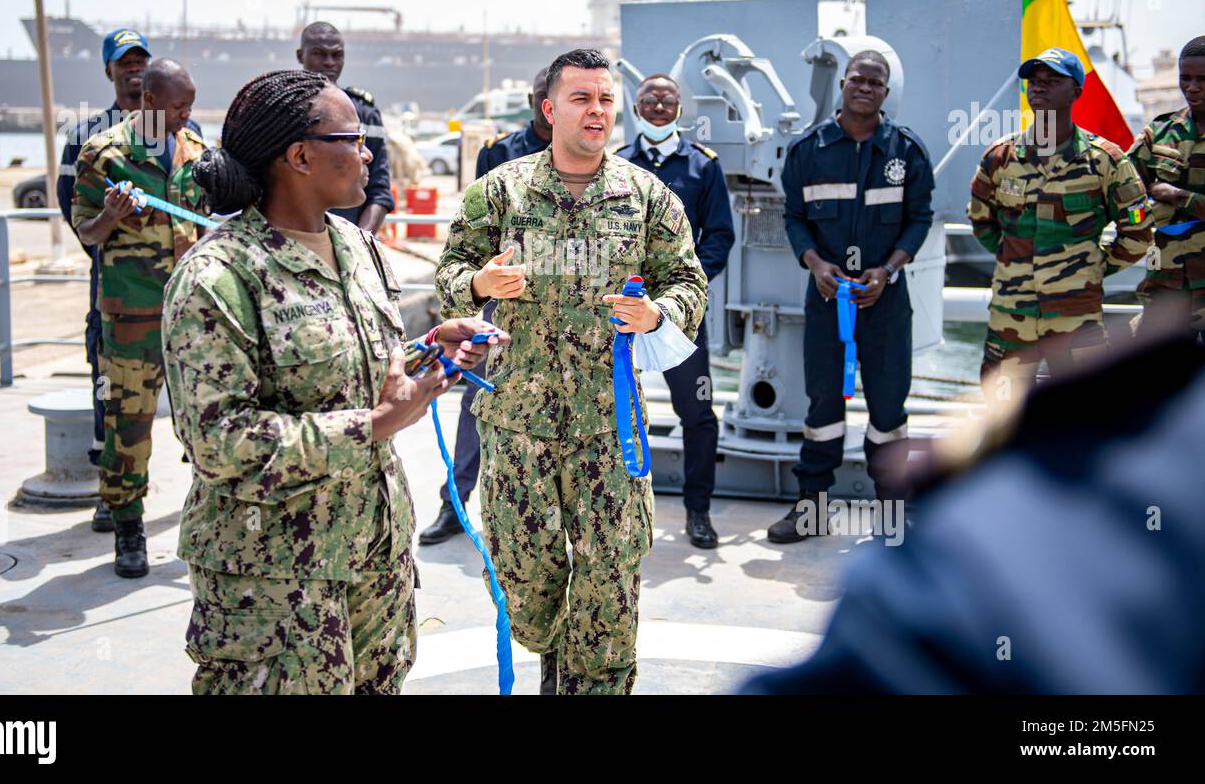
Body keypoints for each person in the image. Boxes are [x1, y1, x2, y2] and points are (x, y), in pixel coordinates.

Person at [165, 69, 502, 694]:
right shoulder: (217, 276)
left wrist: (430, 353)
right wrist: (374, 425)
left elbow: (366, 368)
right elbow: (219, 443)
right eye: (353, 139)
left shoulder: (356, 245)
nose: (369, 153)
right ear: (299, 155)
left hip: (374, 551)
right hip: (275, 583)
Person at [436, 48, 708, 694]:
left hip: (610, 431)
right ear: (549, 108)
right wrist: (478, 281)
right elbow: (447, 278)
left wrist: (658, 313)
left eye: (606, 99)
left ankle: (589, 679)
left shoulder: (647, 196)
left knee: (609, 583)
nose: (597, 111)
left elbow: (689, 283)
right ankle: (557, 656)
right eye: (582, 99)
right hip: (517, 427)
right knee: (525, 580)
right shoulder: (500, 191)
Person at [742, 321, 1205, 694]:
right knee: (824, 416)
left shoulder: (954, 580)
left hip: (1059, 300)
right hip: (984, 302)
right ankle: (813, 507)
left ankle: (888, 517)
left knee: (888, 425)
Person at [772, 50, 934, 544]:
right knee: (823, 406)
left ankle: (893, 515)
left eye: (876, 82)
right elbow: (794, 217)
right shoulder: (808, 151)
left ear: (886, 92)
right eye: (858, 79)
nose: (866, 87)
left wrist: (887, 270)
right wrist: (816, 264)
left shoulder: (906, 152)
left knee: (889, 409)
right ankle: (813, 510)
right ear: (843, 82)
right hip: (827, 300)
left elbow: (919, 217)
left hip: (885, 303)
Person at [72, 59, 208, 578]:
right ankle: (128, 526)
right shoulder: (104, 154)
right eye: (178, 105)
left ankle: (208, 522)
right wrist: (109, 215)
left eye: (191, 104)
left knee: (205, 418)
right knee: (128, 425)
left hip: (192, 315)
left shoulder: (196, 151)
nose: (186, 113)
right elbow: (86, 230)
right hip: (131, 315)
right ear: (149, 101)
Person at [419, 66, 553, 546]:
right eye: (540, 95)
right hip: (504, 299)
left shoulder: (592, 161)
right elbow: (475, 231)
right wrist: (482, 283)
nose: (545, 104)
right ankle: (454, 504)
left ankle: (539, 519)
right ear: (539, 99)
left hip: (564, 308)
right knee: (476, 399)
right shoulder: (500, 154)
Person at [968, 47, 1152, 397]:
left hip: (1076, 318)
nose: (1039, 87)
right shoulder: (1000, 157)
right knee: (1001, 418)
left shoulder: (1106, 161)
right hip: (1011, 315)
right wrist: (1017, 259)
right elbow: (981, 221)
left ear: (1076, 92)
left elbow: (1138, 233)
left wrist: (1090, 268)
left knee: (1082, 418)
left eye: (1052, 81)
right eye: (1034, 82)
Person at [616, 73, 734, 549]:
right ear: (637, 106)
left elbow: (720, 236)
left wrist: (680, 292)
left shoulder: (703, 167)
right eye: (649, 99)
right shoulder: (618, 164)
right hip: (623, 312)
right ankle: (618, 511)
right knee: (616, 405)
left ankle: (698, 511)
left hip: (679, 316)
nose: (658, 106)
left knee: (697, 412)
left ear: (679, 108)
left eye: (667, 100)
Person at [56, 28, 150, 534]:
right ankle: (111, 495)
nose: (134, 69)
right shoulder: (86, 138)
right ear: (108, 70)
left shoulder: (178, 131)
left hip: (173, 295)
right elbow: (74, 211)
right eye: (124, 62)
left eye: (141, 60)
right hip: (113, 293)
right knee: (110, 393)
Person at [1127, 35, 1205, 342]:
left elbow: (1165, 193)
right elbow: (1125, 193)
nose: (1193, 88)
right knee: (1157, 379)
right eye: (1185, 79)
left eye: (1202, 79)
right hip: (1166, 286)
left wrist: (1177, 196)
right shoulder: (1158, 133)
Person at [296, 21, 393, 231]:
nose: (329, 62)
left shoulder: (364, 111)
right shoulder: (286, 111)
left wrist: (359, 244)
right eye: (319, 54)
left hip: (349, 242)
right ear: (300, 55)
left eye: (337, 55)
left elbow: (379, 190)